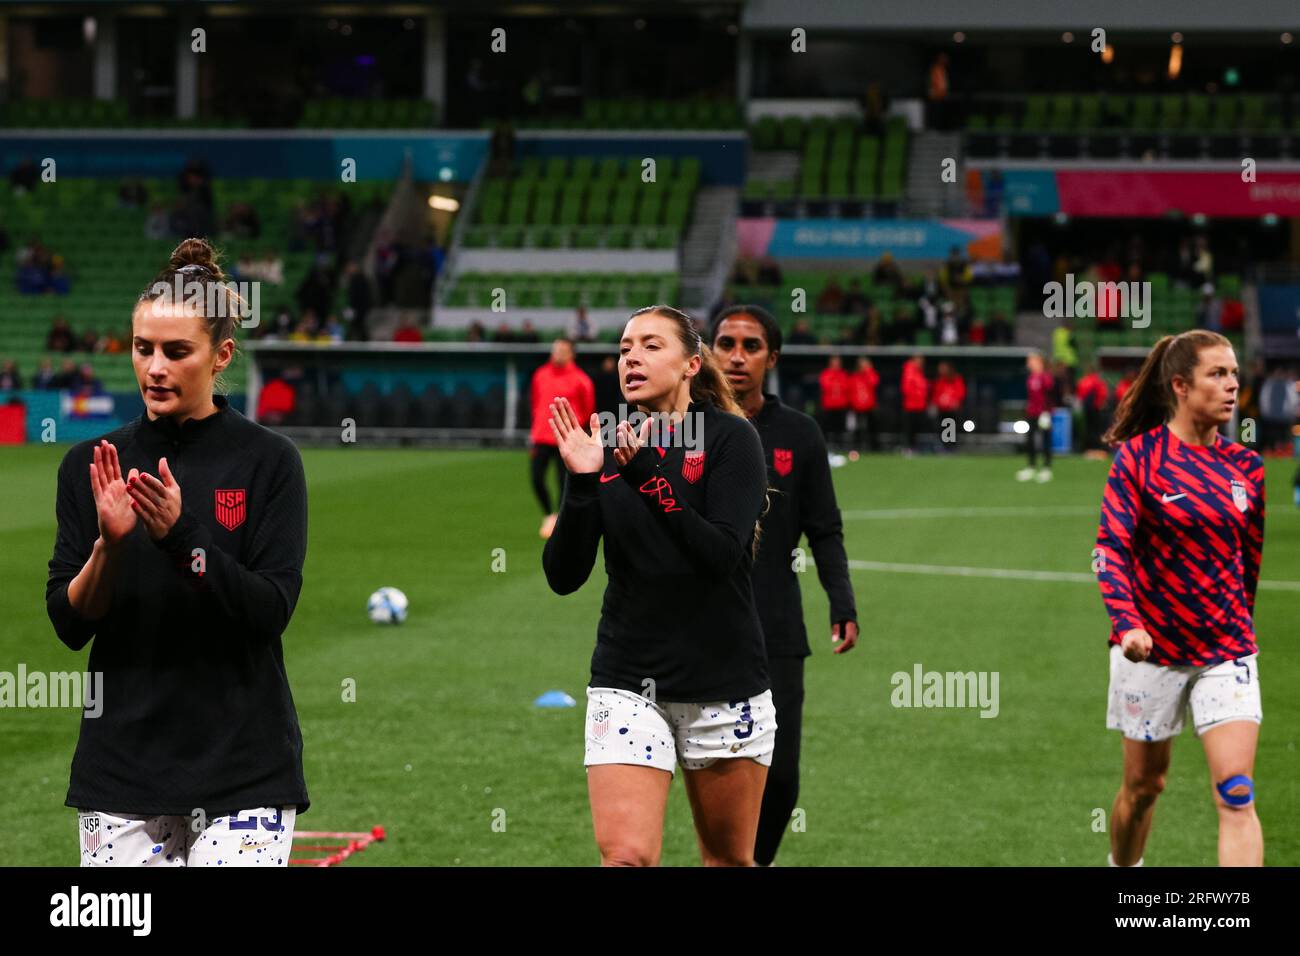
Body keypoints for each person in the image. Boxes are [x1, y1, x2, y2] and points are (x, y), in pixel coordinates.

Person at [45, 237, 309, 866]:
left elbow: (270, 610)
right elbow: (69, 624)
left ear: (221, 356)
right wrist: (109, 547)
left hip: (244, 767)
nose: (155, 368)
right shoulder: (90, 464)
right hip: (121, 768)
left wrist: (183, 538)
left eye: (176, 351)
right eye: (143, 349)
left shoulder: (270, 462)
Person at [542, 305, 775, 866]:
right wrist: (581, 484)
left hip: (722, 680)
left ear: (691, 364)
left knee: (728, 860)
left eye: (650, 345)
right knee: (626, 857)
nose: (632, 358)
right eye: (625, 348)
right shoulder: (602, 439)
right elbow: (564, 577)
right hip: (627, 679)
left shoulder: (730, 439)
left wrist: (646, 474)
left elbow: (719, 556)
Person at [1095, 330, 1265, 867]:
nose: (1232, 384)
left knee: (1236, 791)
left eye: (1234, 372)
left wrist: (1238, 627)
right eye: (1217, 374)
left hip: (1226, 649)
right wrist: (1128, 624)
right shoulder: (1138, 460)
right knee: (1144, 788)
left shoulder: (1247, 468)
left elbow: (1250, 563)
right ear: (1180, 386)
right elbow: (1110, 550)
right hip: (1151, 651)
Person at [709, 305, 859, 865]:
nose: (736, 356)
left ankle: (754, 861)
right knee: (703, 769)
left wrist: (842, 601)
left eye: (750, 346)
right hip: (695, 626)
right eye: (726, 343)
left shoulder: (800, 433)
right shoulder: (686, 427)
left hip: (775, 627)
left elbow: (825, 528)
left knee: (780, 773)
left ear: (771, 357)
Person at [529, 337, 594, 539]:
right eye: (555, 349)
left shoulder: (581, 379)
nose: (557, 353)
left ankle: (559, 519)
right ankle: (549, 514)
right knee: (536, 478)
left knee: (563, 482)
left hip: (566, 438)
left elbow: (587, 409)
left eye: (562, 350)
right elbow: (536, 403)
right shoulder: (540, 375)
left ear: (571, 354)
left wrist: (573, 430)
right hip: (541, 435)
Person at [1018, 351, 1055, 482]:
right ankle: (1031, 467)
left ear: (1038, 361)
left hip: (1043, 414)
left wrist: (1046, 412)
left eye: (1031, 360)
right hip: (1032, 413)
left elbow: (1049, 395)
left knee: (1045, 440)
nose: (1028, 363)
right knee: (1030, 440)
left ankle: (1046, 468)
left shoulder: (1046, 377)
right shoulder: (1030, 377)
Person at [817, 355, 850, 450]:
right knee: (826, 427)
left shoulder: (843, 374)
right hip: (829, 405)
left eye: (838, 362)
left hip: (841, 405)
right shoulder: (826, 374)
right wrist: (835, 382)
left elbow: (846, 387)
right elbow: (826, 386)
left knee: (840, 428)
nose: (836, 364)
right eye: (834, 362)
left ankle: (840, 446)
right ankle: (825, 445)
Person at [900, 353, 930, 455]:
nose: (921, 362)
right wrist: (918, 394)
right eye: (919, 359)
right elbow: (906, 389)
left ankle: (914, 448)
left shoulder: (920, 372)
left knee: (917, 429)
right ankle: (908, 448)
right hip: (911, 405)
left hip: (920, 405)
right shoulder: (909, 371)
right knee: (910, 429)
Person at [1076, 364, 1110, 453]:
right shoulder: (1097, 381)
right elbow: (1103, 393)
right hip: (1095, 409)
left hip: (1086, 409)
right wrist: (1100, 403)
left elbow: (1080, 395)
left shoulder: (1083, 381)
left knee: (1088, 428)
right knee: (1097, 429)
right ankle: (1096, 447)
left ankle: (1087, 447)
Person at [849, 356, 880, 452]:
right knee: (857, 428)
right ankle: (856, 447)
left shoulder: (870, 375)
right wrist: (854, 404)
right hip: (857, 407)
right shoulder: (854, 377)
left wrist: (868, 370)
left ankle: (874, 447)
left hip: (869, 406)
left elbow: (874, 382)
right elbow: (851, 391)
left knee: (872, 427)